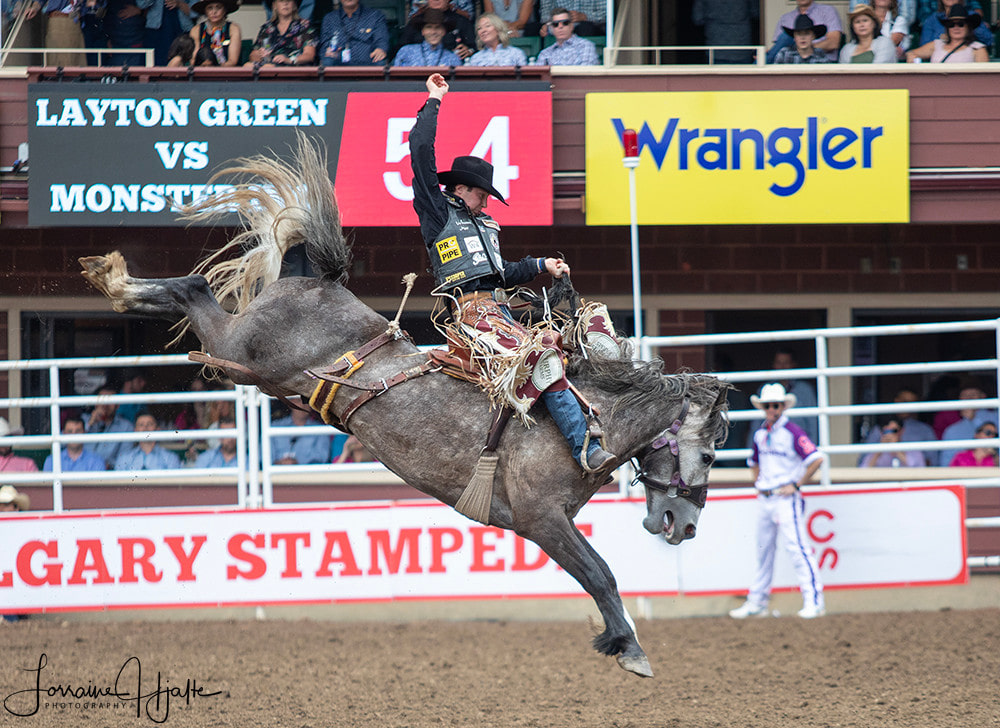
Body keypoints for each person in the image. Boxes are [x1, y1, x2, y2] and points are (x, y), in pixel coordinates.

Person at [408, 73, 614, 472]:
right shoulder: (437, 212)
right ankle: (584, 446)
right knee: (543, 356)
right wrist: (434, 100)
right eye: (481, 193)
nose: (486, 201)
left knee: (588, 329)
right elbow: (420, 151)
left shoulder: (486, 226)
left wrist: (541, 265)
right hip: (472, 316)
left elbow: (503, 272)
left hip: (503, 312)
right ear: (460, 189)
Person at [730, 383, 826, 620]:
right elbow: (754, 462)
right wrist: (759, 484)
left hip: (785, 498)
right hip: (767, 496)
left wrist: (795, 484)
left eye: (776, 405)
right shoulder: (761, 434)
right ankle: (758, 601)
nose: (772, 409)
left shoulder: (792, 432)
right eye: (768, 406)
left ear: (783, 407)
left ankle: (814, 600)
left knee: (797, 548)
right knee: (764, 550)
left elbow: (815, 458)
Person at [861, 387, 939, 465]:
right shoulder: (878, 430)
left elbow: (932, 463)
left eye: (912, 403)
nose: (908, 405)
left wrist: (897, 448)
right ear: (896, 401)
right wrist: (881, 448)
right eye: (905, 401)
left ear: (902, 432)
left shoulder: (924, 430)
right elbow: (862, 466)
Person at [939, 383, 998, 466]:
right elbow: (946, 464)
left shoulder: (997, 417)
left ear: (983, 396)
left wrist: (973, 419)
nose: (969, 398)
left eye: (973, 394)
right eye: (965, 395)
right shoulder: (951, 431)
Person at [766, 0, 842, 63]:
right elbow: (777, 49)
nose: (802, 37)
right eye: (799, 34)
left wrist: (806, 49)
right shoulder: (785, 18)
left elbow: (833, 43)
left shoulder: (827, 11)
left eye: (807, 33)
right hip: (789, 62)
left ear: (813, 36)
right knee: (784, 38)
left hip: (820, 63)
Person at [906, 3, 988, 62]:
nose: (956, 28)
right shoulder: (937, 45)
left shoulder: (977, 48)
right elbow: (911, 54)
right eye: (951, 24)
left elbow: (984, 78)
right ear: (947, 28)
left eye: (960, 24)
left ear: (968, 27)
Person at [246, 0, 317, 66]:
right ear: (274, 5)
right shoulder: (267, 28)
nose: (285, 3)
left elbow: (309, 55)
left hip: (292, 68)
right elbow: (253, 54)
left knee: (268, 68)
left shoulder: (304, 26)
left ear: (294, 5)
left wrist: (289, 60)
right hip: (267, 65)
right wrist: (258, 55)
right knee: (248, 66)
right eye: (281, 0)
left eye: (289, 0)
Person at [398, 0, 474, 60]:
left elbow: (474, 47)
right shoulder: (415, 21)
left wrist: (469, 51)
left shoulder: (462, 21)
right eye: (429, 27)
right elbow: (401, 48)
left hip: (450, 65)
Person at [319, 0, 388, 66]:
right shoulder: (330, 18)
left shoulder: (375, 16)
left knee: (380, 62)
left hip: (368, 64)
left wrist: (380, 49)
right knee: (327, 62)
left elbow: (381, 41)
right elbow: (324, 46)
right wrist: (329, 51)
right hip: (338, 65)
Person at [83, 386, 134, 468]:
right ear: (96, 404)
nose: (105, 405)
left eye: (110, 401)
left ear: (117, 405)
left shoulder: (126, 427)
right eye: (101, 400)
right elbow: (65, 444)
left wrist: (107, 464)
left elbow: (125, 457)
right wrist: (89, 424)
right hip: (80, 470)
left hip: (107, 473)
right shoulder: (83, 420)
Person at [24, 0, 87, 66]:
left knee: (75, 61)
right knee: (57, 61)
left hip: (75, 23)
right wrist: (34, 8)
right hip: (58, 21)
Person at [392, 7, 461, 66]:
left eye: (438, 27)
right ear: (423, 31)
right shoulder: (406, 51)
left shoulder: (453, 58)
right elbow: (393, 79)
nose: (433, 32)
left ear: (444, 31)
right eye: (429, 27)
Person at [114, 413, 183, 470]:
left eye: (149, 424)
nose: (145, 428)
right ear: (135, 431)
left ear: (157, 430)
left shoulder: (170, 458)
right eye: (141, 425)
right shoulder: (124, 458)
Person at [532, 6, 599, 65]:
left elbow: (586, 74)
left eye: (565, 23)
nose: (560, 26)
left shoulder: (586, 46)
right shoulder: (545, 53)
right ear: (551, 28)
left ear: (572, 26)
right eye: (556, 24)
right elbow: (539, 77)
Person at [137, 0, 196, 66]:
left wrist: (179, 3)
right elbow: (142, 4)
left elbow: (195, 12)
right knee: (151, 65)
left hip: (181, 31)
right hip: (155, 31)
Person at [917, 0, 991, 49]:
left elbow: (988, 40)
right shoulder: (933, 19)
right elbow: (924, 46)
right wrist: (942, 40)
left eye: (960, 24)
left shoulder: (972, 17)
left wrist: (971, 28)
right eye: (951, 24)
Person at [43, 416, 108, 472]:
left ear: (84, 433)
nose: (73, 435)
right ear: (64, 434)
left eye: (78, 431)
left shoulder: (96, 461)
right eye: (70, 431)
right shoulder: (51, 461)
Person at [189, 0, 241, 66]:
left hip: (226, 72)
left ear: (225, 10)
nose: (214, 12)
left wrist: (216, 72)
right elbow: (193, 59)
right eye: (210, 8)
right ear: (205, 11)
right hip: (202, 71)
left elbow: (232, 61)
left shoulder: (233, 28)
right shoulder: (196, 30)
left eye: (218, 7)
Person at [859, 416, 927, 467]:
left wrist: (896, 450)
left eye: (894, 431)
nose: (890, 435)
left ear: (901, 431)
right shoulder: (875, 452)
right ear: (881, 433)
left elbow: (916, 468)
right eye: (886, 431)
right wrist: (879, 451)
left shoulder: (913, 449)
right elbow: (864, 469)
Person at [536, 0, 602, 37]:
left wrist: (585, 17)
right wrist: (548, 23)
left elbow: (606, 14)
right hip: (559, 22)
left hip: (590, 25)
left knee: (586, 27)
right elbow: (545, 13)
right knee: (537, 29)